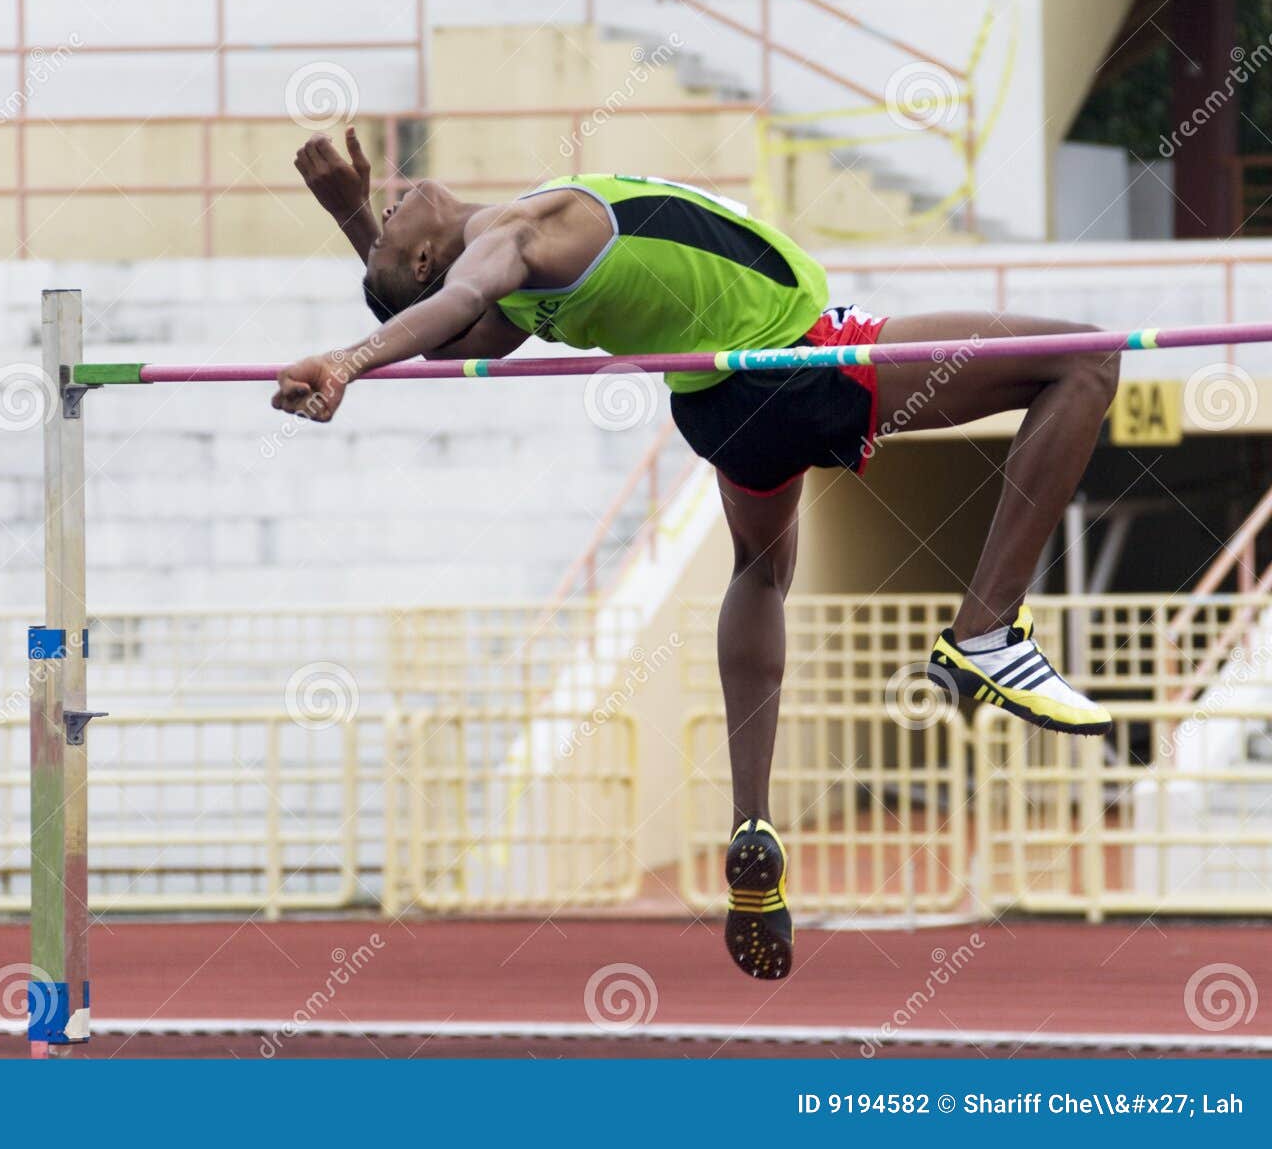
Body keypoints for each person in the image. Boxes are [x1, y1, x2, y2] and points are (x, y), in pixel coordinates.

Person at [283, 128, 1118, 980]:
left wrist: (353, 215)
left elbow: (451, 335)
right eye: (385, 224)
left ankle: (751, 818)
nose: (387, 206)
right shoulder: (508, 240)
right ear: (428, 260)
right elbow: (447, 307)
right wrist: (350, 360)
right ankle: (985, 632)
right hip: (797, 358)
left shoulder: (514, 295)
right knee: (1081, 362)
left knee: (761, 569)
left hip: (719, 404)